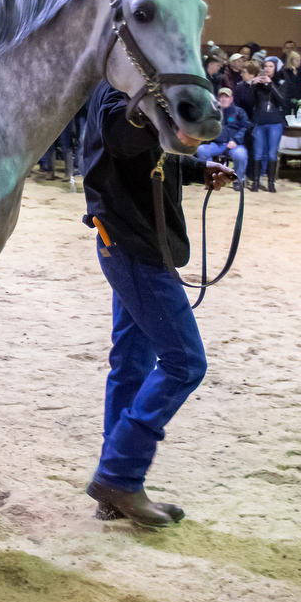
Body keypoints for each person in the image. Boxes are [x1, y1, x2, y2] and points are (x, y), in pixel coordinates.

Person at [81, 81, 232, 527]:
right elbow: (120, 139)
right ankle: (119, 477)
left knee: (130, 364)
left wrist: (195, 168)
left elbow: (145, 159)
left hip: (137, 246)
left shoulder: (137, 97)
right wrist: (171, 123)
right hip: (133, 248)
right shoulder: (115, 96)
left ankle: (115, 489)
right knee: (185, 363)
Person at [248, 56, 290, 193]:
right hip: (259, 120)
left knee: (272, 153)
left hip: (275, 121)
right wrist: (252, 85)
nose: (267, 69)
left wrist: (271, 84)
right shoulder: (259, 83)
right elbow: (249, 101)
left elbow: (282, 100)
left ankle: (271, 183)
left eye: (271, 66)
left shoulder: (282, 81)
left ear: (276, 68)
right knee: (258, 152)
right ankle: (255, 181)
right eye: (265, 66)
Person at [195, 87, 248, 189]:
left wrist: (236, 140)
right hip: (217, 144)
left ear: (231, 99)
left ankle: (238, 181)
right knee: (201, 150)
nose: (224, 99)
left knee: (241, 154)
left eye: (226, 97)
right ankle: (212, 179)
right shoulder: (213, 112)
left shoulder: (239, 112)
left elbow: (245, 127)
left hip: (234, 145)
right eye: (221, 97)